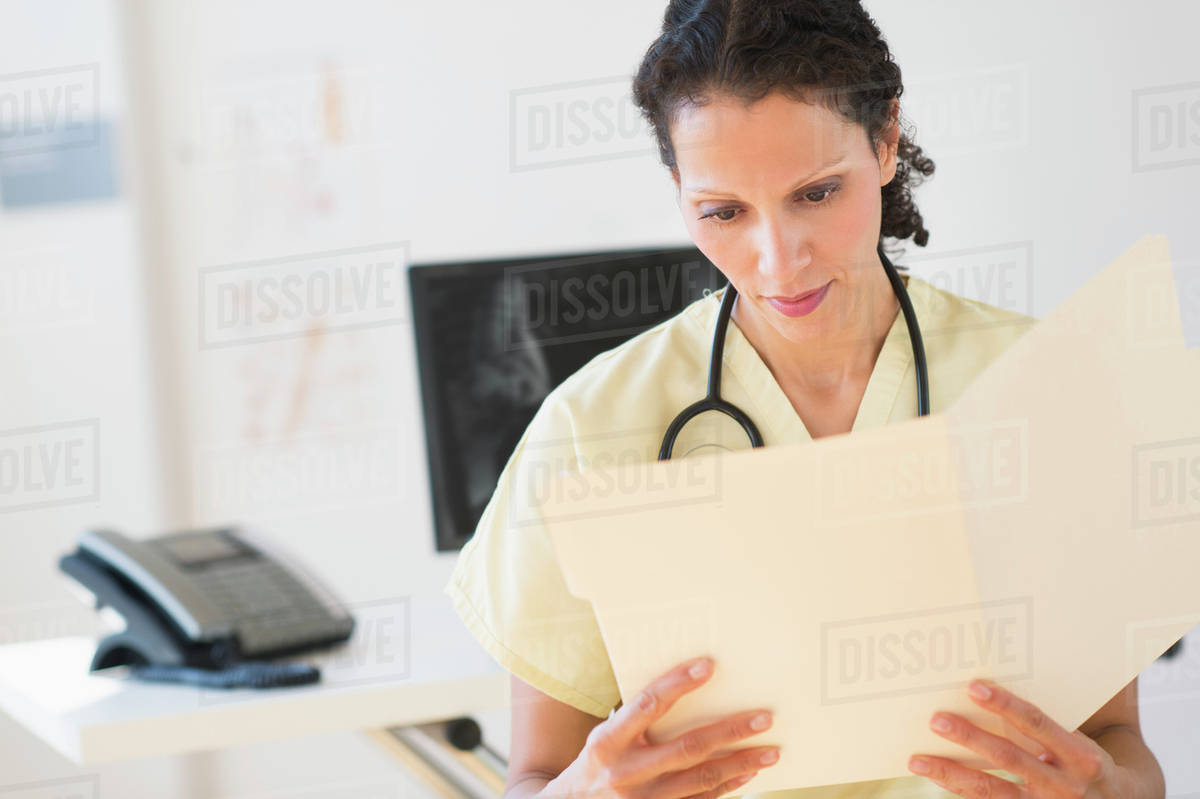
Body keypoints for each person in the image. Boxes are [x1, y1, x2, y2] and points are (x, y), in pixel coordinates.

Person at [445, 2, 1167, 798]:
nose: (778, 261)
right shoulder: (588, 430)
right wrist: (587, 791)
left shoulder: (1047, 382)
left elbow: (1116, 742)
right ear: (678, 186)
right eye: (723, 212)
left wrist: (1107, 790)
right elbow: (536, 777)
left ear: (886, 138)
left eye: (817, 194)